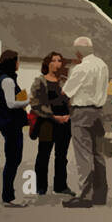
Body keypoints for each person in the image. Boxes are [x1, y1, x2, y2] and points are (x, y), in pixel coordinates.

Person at [62, 35, 109, 208]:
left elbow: (66, 92)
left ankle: (85, 195)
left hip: (82, 111)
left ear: (80, 51)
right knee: (98, 154)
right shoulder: (102, 65)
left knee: (83, 154)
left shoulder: (81, 68)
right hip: (98, 111)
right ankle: (100, 193)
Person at [29, 51, 75, 196]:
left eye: (59, 61)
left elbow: (71, 100)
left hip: (64, 123)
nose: (57, 63)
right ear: (47, 64)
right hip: (47, 124)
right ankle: (40, 186)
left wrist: (69, 115)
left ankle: (60, 186)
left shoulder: (64, 81)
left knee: (62, 156)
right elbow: (35, 104)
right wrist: (53, 116)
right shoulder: (40, 81)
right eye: (53, 60)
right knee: (43, 155)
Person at [0, 49, 31, 207]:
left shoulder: (3, 78)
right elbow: (11, 103)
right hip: (11, 123)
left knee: (13, 158)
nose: (19, 63)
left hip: (7, 122)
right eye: (17, 60)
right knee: (13, 159)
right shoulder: (8, 81)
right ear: (11, 62)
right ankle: (8, 196)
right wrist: (27, 101)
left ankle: (8, 194)